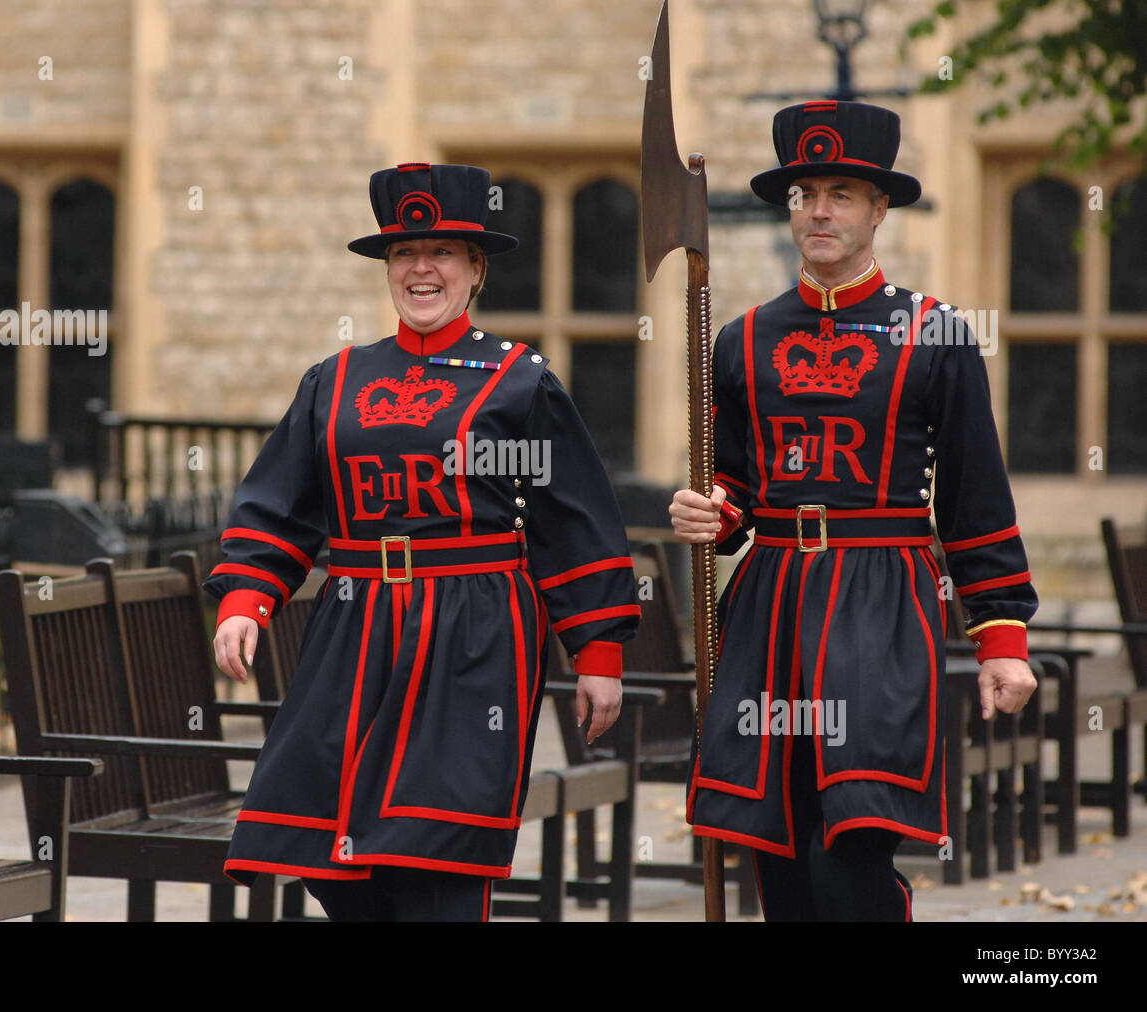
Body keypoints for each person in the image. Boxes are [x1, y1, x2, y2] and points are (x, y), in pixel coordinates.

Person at [205, 162, 639, 921]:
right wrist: (248, 596)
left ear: (476, 269)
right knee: (326, 851)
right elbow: (282, 502)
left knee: (438, 860)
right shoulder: (335, 380)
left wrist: (597, 651)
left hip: (475, 639)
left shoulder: (519, 380)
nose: (421, 268)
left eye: (442, 252)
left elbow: (571, 520)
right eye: (404, 253)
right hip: (354, 630)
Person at [668, 101, 1038, 921]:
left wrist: (1002, 638)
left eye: (842, 193)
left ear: (879, 209)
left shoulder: (936, 334)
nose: (821, 210)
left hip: (884, 608)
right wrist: (709, 513)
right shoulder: (741, 337)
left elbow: (974, 497)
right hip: (770, 612)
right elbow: (737, 486)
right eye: (806, 194)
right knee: (781, 856)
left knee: (852, 848)